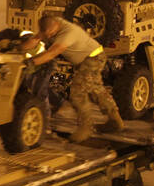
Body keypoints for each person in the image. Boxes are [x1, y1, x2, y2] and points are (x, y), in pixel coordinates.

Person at [30, 14, 125, 143]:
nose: (49, 37)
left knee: (77, 93)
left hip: (93, 58)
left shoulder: (68, 33)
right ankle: (115, 120)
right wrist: (18, 48)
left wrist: (30, 62)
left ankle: (86, 127)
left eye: (51, 34)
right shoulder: (51, 25)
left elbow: (52, 53)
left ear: (55, 27)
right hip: (88, 59)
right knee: (96, 90)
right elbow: (36, 38)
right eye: (47, 35)